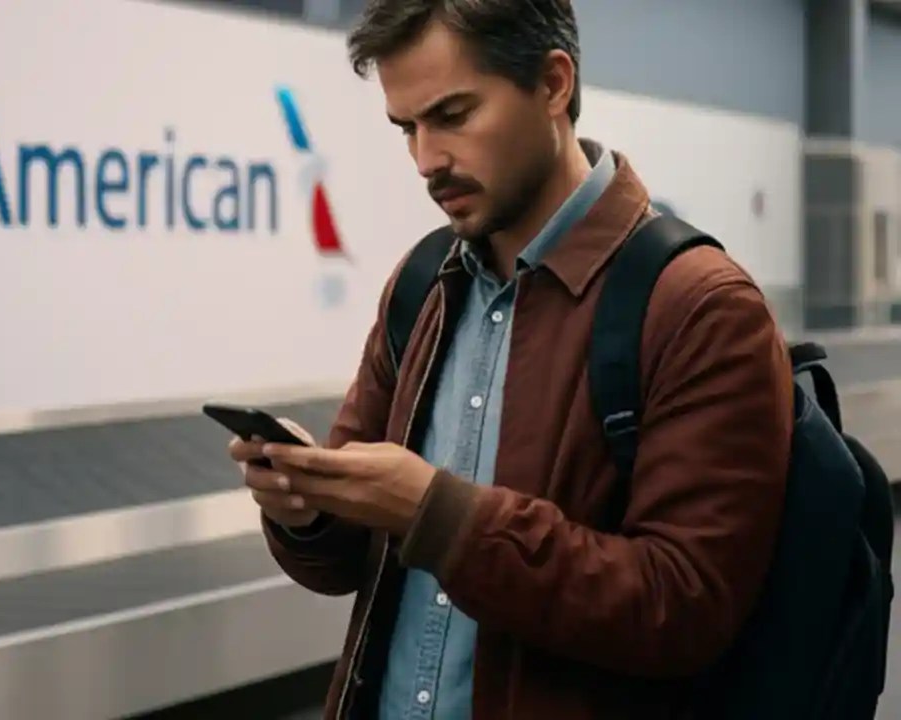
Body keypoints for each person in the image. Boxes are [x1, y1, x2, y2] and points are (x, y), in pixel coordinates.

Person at [227, 1, 793, 718]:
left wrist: (442, 516)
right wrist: (307, 507)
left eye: (454, 115)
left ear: (554, 84)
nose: (427, 160)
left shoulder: (701, 306)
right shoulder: (423, 284)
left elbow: (682, 607)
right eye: (408, 128)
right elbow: (350, 561)